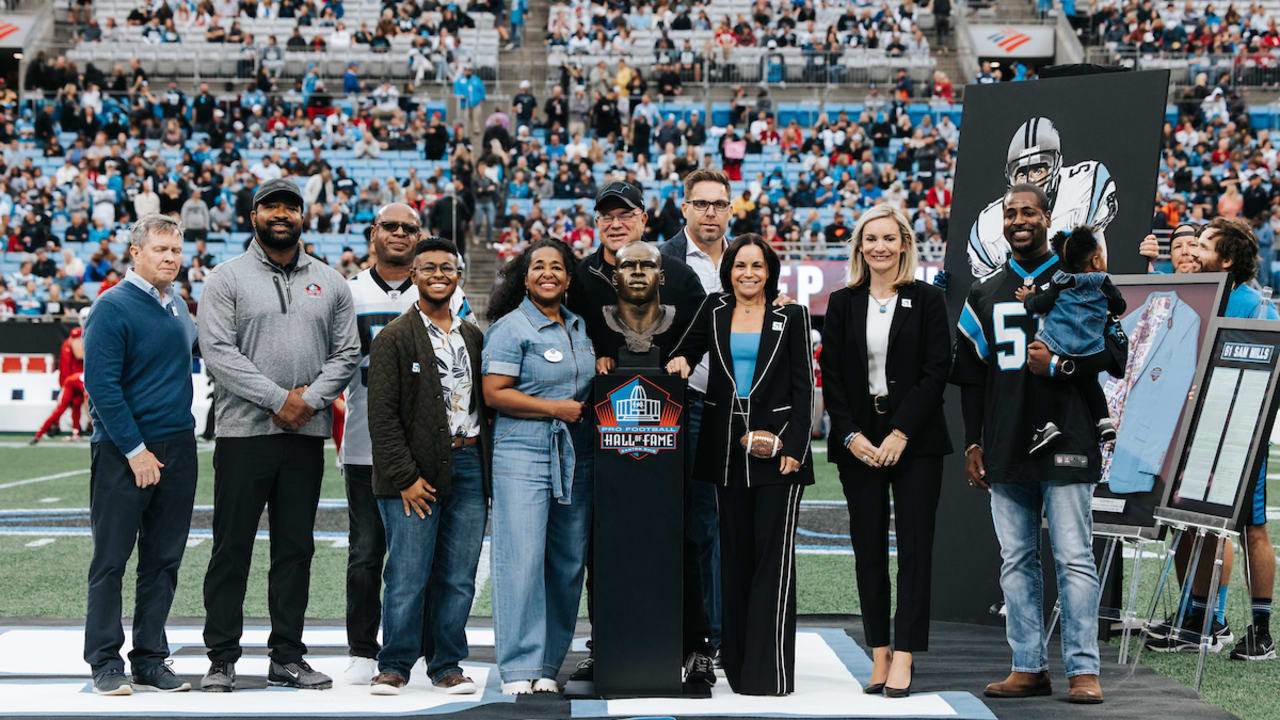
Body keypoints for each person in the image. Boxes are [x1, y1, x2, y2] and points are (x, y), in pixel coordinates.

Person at [952, 184, 1123, 704]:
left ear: (1048, 217)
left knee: (1073, 556)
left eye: (1029, 211)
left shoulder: (1080, 281)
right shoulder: (983, 294)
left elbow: (1116, 358)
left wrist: (1063, 365)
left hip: (1067, 438)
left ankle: (1082, 670)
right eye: (1011, 213)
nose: (1019, 220)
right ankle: (1027, 664)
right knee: (1016, 559)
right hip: (1004, 442)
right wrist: (973, 443)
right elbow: (973, 380)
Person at [198, 178, 360, 692]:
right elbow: (218, 352)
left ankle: (287, 656)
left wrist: (306, 403)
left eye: (291, 206)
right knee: (231, 548)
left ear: (303, 215)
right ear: (254, 216)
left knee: (295, 550)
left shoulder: (331, 281)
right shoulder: (226, 278)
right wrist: (278, 399)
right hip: (244, 435)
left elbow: (347, 353)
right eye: (272, 206)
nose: (282, 214)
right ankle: (221, 657)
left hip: (305, 436)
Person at [565, 181, 712, 685]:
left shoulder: (680, 275)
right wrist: (592, 357)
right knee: (600, 536)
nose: (615, 222)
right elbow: (564, 328)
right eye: (606, 215)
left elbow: (703, 325)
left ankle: (695, 644)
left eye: (625, 214)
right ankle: (605, 640)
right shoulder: (581, 274)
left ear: (643, 219)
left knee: (685, 527)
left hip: (671, 412)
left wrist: (685, 358)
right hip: (597, 417)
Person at [666, 234, 814, 696]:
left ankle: (769, 672)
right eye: (739, 266)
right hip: (727, 450)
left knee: (772, 561)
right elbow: (685, 352)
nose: (748, 273)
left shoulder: (792, 314)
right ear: (729, 270)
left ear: (769, 270)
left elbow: (804, 386)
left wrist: (794, 446)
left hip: (778, 453)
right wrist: (676, 366)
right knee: (733, 556)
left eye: (757, 266)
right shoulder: (713, 309)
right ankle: (736, 660)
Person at [819, 204, 951, 698]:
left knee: (914, 550)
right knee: (868, 549)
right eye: (870, 238)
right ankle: (879, 653)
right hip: (859, 441)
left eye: (888, 238)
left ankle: (907, 655)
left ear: (904, 244)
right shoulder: (841, 301)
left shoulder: (929, 299)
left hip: (914, 440)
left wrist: (900, 432)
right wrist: (851, 435)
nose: (879, 246)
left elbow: (937, 370)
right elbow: (830, 375)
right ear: (859, 246)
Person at [367, 237, 492, 695]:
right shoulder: (394, 336)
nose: (439, 275)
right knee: (407, 572)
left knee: (459, 575)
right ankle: (395, 663)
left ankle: (447, 664)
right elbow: (381, 416)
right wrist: (405, 477)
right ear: (413, 276)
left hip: (470, 463)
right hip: (415, 472)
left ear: (458, 275)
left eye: (447, 268)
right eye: (429, 268)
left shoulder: (473, 337)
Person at [82, 214, 198, 695]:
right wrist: (136, 451)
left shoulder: (179, 306)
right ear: (135, 253)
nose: (171, 258)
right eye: (161, 250)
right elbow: (101, 386)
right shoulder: (112, 306)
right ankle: (106, 662)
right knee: (111, 560)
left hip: (179, 446)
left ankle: (150, 658)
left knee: (164, 559)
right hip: (124, 450)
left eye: (176, 250)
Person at [1156, 218, 1278, 661]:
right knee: (1191, 524)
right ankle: (1202, 621)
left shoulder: (1255, 306)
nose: (1191, 249)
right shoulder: (1203, 293)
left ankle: (1261, 631)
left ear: (1225, 259)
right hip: (1197, 433)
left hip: (1241, 437)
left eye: (1204, 244)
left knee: (1251, 529)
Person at [481, 238, 596, 695]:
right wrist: (554, 411)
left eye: (557, 267)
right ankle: (517, 667)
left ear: (568, 278)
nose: (548, 273)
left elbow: (586, 380)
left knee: (567, 563)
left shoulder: (579, 326)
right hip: (522, 453)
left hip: (575, 455)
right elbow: (494, 393)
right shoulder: (511, 328)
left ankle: (548, 665)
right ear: (524, 278)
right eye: (538, 267)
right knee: (521, 562)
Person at [337, 203, 425, 685]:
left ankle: (424, 647)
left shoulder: (441, 287)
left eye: (407, 228)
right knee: (366, 552)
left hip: (426, 448)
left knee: (421, 555)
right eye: (389, 226)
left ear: (419, 236)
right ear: (374, 234)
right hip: (365, 443)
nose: (397, 233)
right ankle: (362, 649)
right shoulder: (347, 293)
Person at [1016, 226, 1125, 454]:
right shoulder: (1104, 282)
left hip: (1057, 344)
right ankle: (1103, 420)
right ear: (1096, 260)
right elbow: (1120, 306)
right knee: (1090, 383)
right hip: (1091, 347)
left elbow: (1041, 305)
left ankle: (1047, 425)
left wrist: (1028, 298)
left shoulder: (1059, 281)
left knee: (1040, 375)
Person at [30, 327, 87, 444]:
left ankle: (75, 432)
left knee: (76, 405)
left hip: (76, 381)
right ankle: (40, 434)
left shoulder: (78, 345)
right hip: (70, 383)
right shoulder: (70, 345)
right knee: (60, 409)